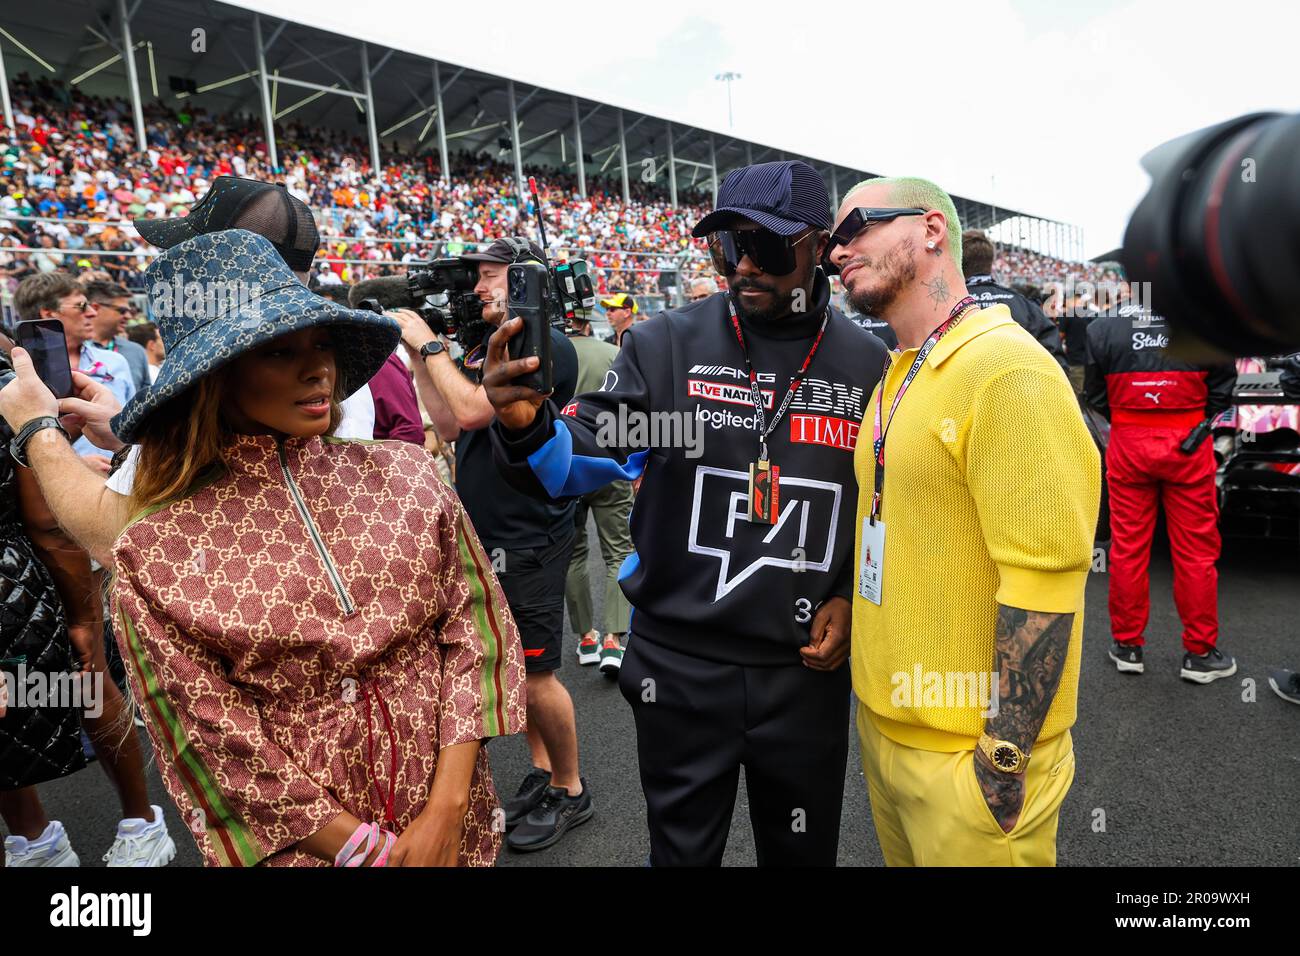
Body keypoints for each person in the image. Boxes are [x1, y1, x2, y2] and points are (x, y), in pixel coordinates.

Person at [0, 229, 525, 867]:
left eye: (323, 342)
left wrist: (445, 811)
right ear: (216, 376)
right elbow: (206, 734)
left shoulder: (407, 473)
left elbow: (474, 631)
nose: (318, 369)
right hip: (307, 847)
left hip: (454, 812)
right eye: (278, 350)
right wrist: (368, 852)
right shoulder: (155, 546)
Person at [483, 161, 887, 866]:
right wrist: (527, 425)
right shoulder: (667, 345)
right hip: (679, 666)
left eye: (766, 246)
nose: (744, 267)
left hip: (803, 673)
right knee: (681, 857)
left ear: (820, 246)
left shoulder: (868, 365)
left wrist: (855, 596)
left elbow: (889, 508)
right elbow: (582, 456)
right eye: (727, 247)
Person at [827, 176, 1099, 866]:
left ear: (930, 230)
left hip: (971, 758)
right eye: (833, 240)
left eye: (856, 227)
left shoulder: (1007, 370)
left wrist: (1003, 759)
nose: (837, 251)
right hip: (890, 733)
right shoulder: (903, 370)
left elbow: (1045, 582)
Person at [389, 236, 591, 854]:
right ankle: (542, 768)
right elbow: (448, 424)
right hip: (491, 527)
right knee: (512, 665)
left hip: (530, 529)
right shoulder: (487, 344)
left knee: (536, 672)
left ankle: (572, 788)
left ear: (528, 279)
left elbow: (476, 410)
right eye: (475, 277)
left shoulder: (542, 340)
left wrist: (425, 341)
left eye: (492, 275)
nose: (479, 287)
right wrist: (425, 359)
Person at [1084, 293, 1237, 683]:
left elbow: (1095, 395)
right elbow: (1223, 389)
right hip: (1187, 442)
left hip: (1129, 443)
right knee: (1196, 552)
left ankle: (1127, 645)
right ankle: (1200, 653)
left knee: (1128, 547)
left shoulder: (1102, 327)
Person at [562, 312, 635, 676]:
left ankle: (587, 637)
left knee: (574, 554)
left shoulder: (551, 357)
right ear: (589, 326)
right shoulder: (611, 354)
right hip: (609, 462)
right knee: (618, 550)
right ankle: (613, 641)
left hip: (565, 466)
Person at [13, 272, 135, 466]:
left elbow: (136, 431)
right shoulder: (14, 376)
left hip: (123, 480)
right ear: (49, 314)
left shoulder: (115, 362)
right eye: (81, 306)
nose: (93, 313)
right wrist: (76, 466)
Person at [960, 231, 1068, 372]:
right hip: (1023, 387)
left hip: (963, 388)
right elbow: (1056, 360)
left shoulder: (944, 306)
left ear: (958, 261)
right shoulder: (1025, 306)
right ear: (991, 263)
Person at [84, 280, 150, 392]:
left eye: (130, 311)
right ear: (95, 308)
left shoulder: (136, 351)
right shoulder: (72, 350)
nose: (129, 316)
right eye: (122, 311)